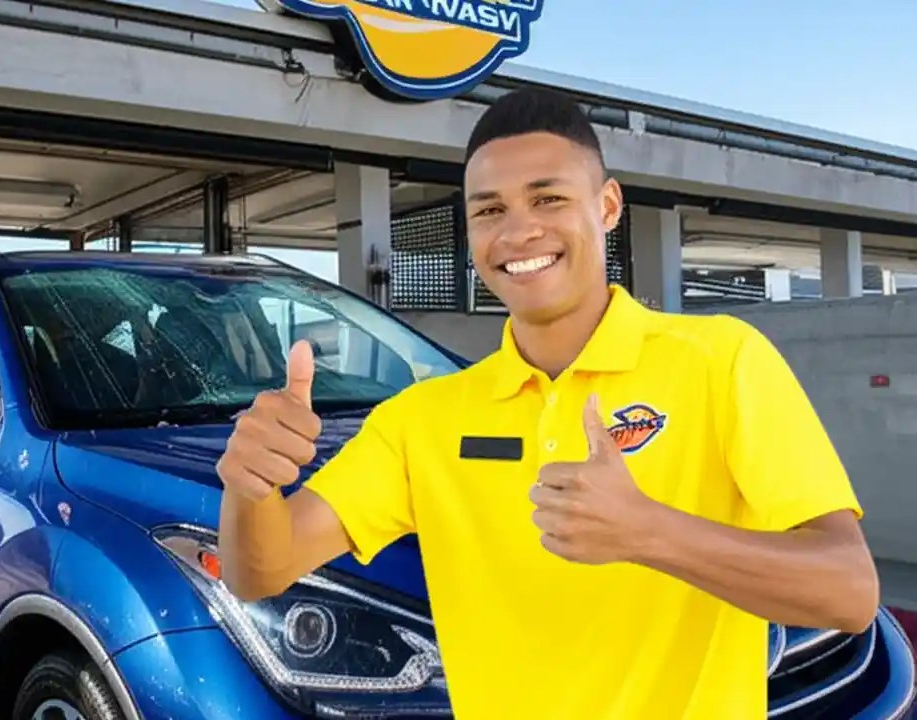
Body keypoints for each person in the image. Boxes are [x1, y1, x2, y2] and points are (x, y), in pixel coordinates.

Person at [214, 86, 881, 719]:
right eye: (489, 210)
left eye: (548, 199)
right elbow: (259, 571)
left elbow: (848, 593)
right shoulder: (423, 419)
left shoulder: (722, 359)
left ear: (608, 207)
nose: (519, 232)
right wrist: (250, 489)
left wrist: (648, 531)